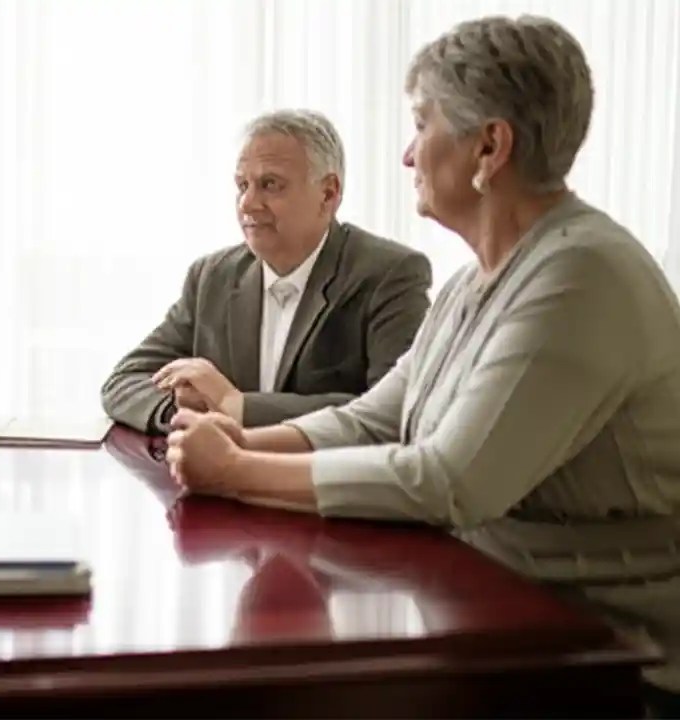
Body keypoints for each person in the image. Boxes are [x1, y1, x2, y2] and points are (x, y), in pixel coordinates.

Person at [166, 15, 680, 714]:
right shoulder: (479, 279)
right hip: (498, 629)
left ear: (489, 146)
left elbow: (445, 480)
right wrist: (243, 440)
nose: (408, 154)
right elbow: (378, 416)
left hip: (609, 669)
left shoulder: (582, 274)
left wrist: (236, 471)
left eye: (422, 124)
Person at [101, 110, 431, 435]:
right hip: (216, 481)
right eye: (242, 185)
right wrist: (188, 411)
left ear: (328, 193)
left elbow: (395, 412)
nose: (247, 203)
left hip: (324, 485)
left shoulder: (390, 274)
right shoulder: (211, 277)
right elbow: (124, 382)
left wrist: (237, 406)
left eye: (269, 185)